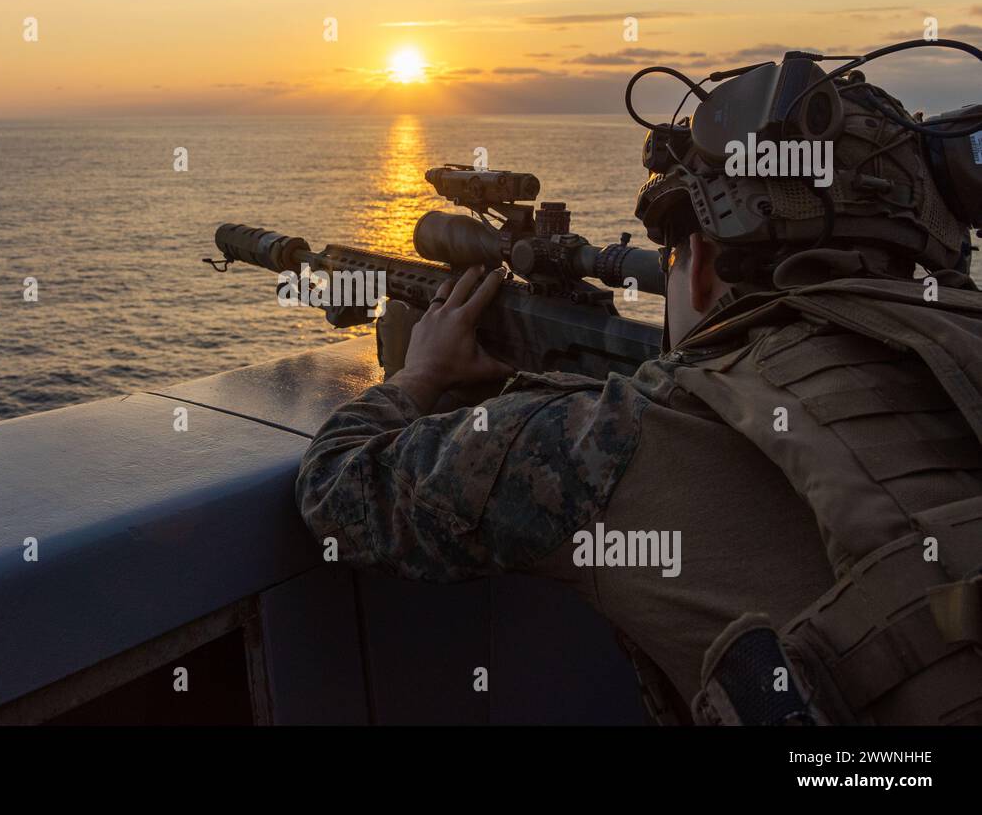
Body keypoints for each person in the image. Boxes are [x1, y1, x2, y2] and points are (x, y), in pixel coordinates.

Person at [295, 66, 982, 725]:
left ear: (703, 265)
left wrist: (418, 377)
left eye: (672, 255)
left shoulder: (620, 434)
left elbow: (337, 490)